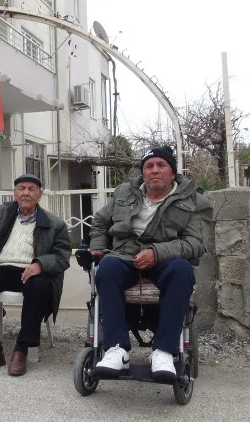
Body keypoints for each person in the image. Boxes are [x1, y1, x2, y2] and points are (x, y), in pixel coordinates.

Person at [89, 146, 213, 381]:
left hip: (166, 259)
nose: (155, 170)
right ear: (143, 173)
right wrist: (97, 247)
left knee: (182, 270)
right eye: (149, 166)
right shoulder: (125, 192)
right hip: (125, 254)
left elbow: (196, 243)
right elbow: (100, 222)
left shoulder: (195, 200)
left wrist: (156, 252)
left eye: (161, 165)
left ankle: (164, 351)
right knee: (106, 269)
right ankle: (116, 349)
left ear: (172, 172)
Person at [0, 174, 71, 376]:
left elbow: (62, 256)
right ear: (15, 193)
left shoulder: (54, 223)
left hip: (31, 271)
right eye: (21, 188)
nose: (26, 192)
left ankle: (21, 350)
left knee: (39, 287)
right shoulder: (3, 214)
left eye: (31, 189)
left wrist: (40, 264)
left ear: (39, 195)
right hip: (1, 268)